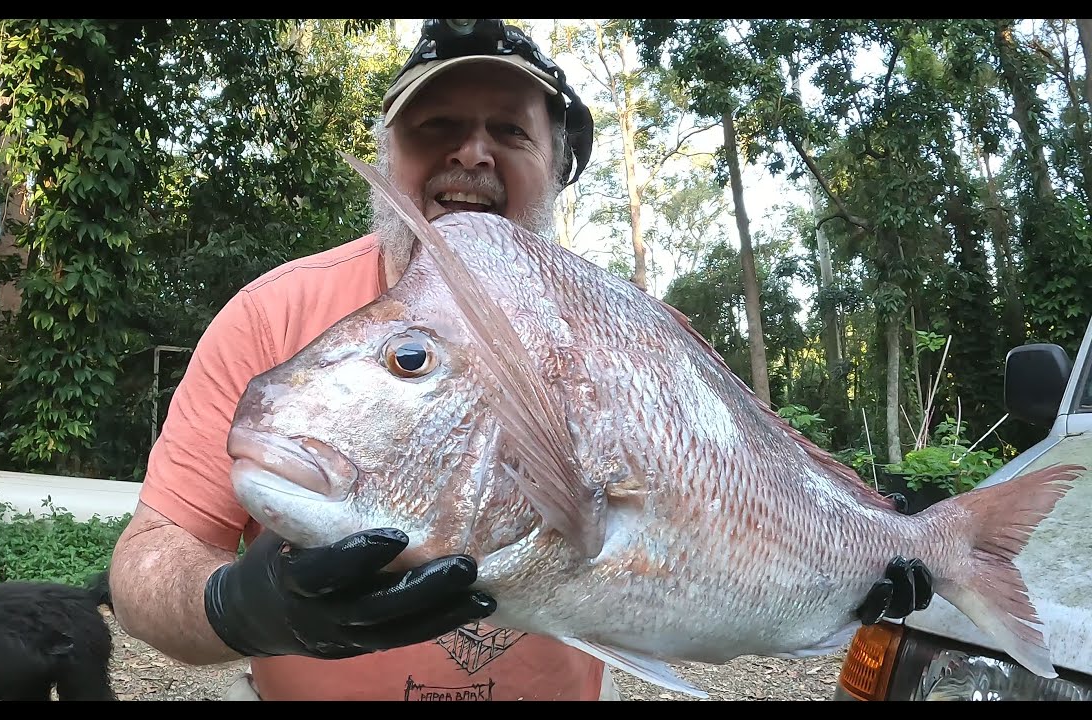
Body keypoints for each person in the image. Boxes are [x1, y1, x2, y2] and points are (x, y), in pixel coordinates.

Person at [107, 19, 933, 702]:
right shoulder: (274, 314)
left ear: (559, 167)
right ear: (388, 153)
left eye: (509, 130)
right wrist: (241, 606)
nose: (472, 154)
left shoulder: (636, 333)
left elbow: (749, 488)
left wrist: (862, 536)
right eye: (436, 127)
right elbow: (148, 560)